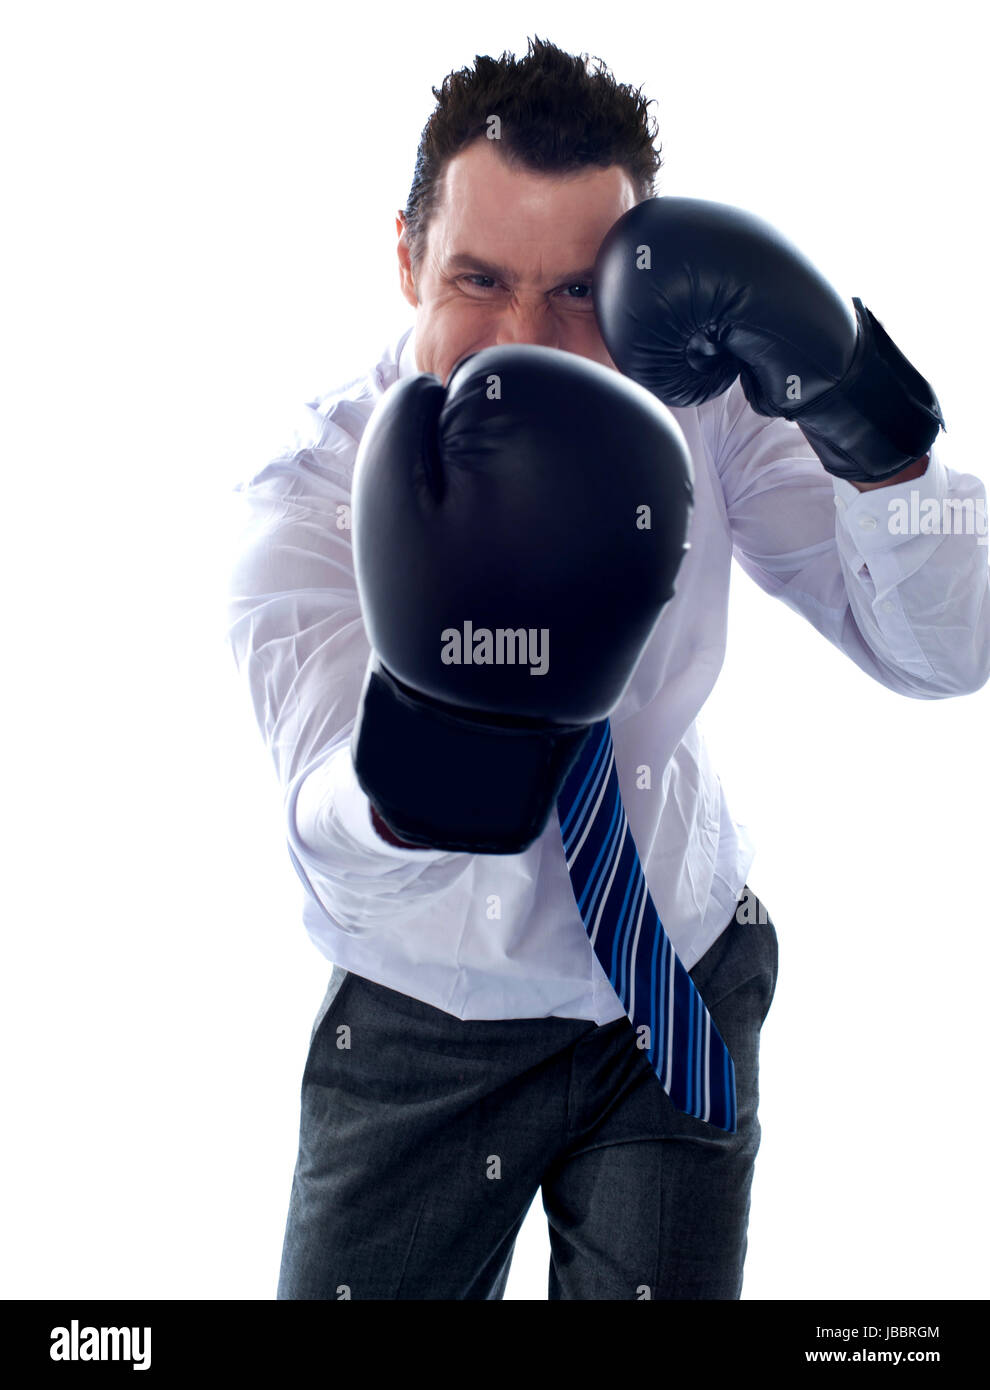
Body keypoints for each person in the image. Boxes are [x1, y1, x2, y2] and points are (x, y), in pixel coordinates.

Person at [226, 37, 990, 1300]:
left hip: (680, 975)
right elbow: (321, 829)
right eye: (479, 278)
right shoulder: (309, 490)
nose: (529, 338)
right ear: (408, 259)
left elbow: (948, 652)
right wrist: (428, 757)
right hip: (423, 1017)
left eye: (579, 290)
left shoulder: (709, 410)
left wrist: (869, 418)